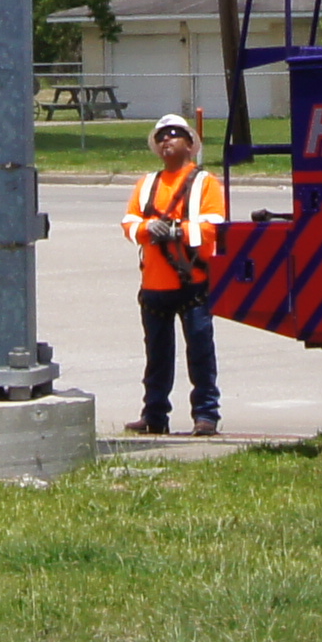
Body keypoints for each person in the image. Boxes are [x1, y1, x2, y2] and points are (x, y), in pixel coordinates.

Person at [121, 111, 228, 437]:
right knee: (157, 357)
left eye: (173, 134)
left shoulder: (205, 183)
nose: (166, 140)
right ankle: (154, 416)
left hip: (193, 286)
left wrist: (178, 231)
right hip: (154, 287)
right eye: (161, 136)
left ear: (190, 144)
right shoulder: (146, 184)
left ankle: (206, 416)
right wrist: (146, 229)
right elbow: (129, 223)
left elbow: (215, 225)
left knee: (200, 353)